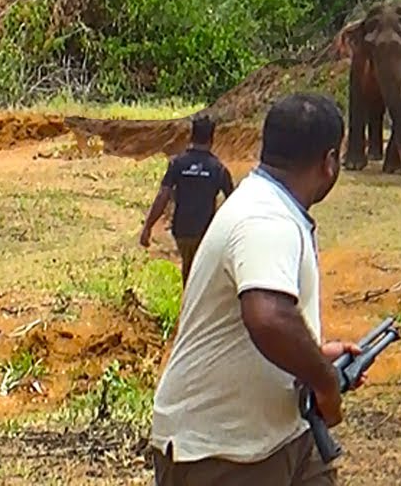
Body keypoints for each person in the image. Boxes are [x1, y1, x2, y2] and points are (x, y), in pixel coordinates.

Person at [150, 93, 360, 486]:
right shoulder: (267, 217)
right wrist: (325, 382)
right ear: (329, 162)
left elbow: (273, 321)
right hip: (223, 450)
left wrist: (311, 354)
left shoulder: (268, 205)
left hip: (278, 435)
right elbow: (268, 317)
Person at [138, 115, 234, 290]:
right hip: (205, 232)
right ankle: (195, 310)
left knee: (188, 271)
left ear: (191, 136)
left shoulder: (178, 164)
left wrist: (147, 227)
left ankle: (187, 307)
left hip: (181, 230)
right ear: (212, 139)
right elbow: (233, 203)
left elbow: (163, 196)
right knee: (201, 275)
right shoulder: (218, 169)